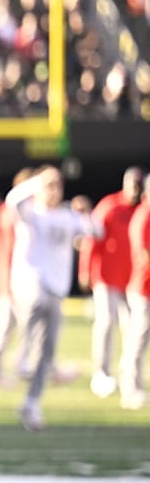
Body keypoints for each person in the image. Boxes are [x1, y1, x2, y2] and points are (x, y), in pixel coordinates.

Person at [6, 166, 101, 430]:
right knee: (37, 301)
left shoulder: (67, 216)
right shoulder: (31, 213)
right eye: (49, 185)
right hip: (32, 284)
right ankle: (22, 358)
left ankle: (32, 403)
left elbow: (96, 233)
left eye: (56, 184)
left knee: (47, 353)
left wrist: (86, 213)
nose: (53, 190)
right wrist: (36, 182)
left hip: (57, 288)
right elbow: (12, 201)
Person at [82, 167, 145, 399]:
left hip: (130, 280)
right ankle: (101, 373)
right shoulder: (110, 205)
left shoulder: (140, 210)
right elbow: (92, 238)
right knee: (106, 323)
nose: (136, 190)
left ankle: (127, 373)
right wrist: (85, 269)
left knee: (132, 329)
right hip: (107, 276)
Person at [0, 167, 35, 392]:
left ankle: (15, 368)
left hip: (19, 279)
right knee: (4, 329)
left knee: (21, 328)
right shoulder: (10, 211)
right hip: (10, 279)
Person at [123, 195, 150, 409]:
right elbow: (144, 253)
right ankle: (131, 388)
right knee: (138, 339)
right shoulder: (143, 217)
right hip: (144, 287)